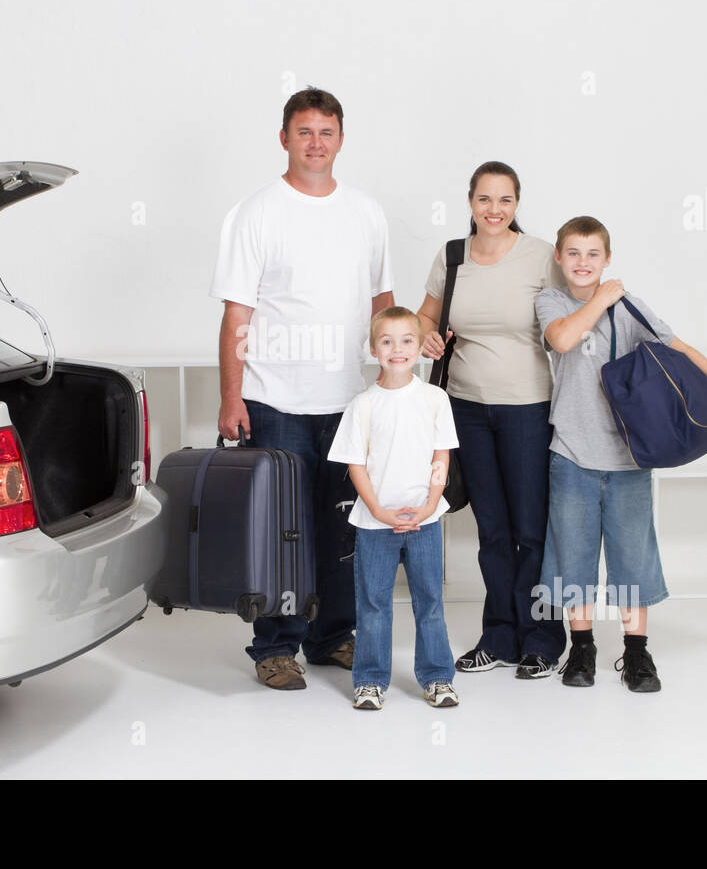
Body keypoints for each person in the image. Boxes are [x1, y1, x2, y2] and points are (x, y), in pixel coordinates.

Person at [210, 86, 394, 690]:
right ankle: (275, 646)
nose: (316, 143)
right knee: (281, 529)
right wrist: (232, 398)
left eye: (327, 132)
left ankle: (332, 636)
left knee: (344, 526)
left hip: (347, 400)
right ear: (284, 137)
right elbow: (237, 316)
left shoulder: (366, 212)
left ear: (342, 138)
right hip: (275, 398)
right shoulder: (257, 211)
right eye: (304, 131)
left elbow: (382, 304)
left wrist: (391, 381)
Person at [535, 216, 707, 692]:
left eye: (592, 254)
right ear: (560, 259)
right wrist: (603, 298)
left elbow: (678, 347)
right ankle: (581, 647)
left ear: (607, 259)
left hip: (628, 458)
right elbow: (563, 340)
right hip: (571, 455)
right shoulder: (552, 302)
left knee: (633, 558)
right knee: (573, 558)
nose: (582, 263)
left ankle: (635, 651)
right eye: (573, 254)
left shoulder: (628, 307)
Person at [416, 161, 568, 679]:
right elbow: (423, 317)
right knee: (493, 530)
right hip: (465, 409)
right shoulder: (452, 256)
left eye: (505, 200)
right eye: (485, 199)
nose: (494, 210)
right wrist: (427, 335)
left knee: (532, 528)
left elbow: (571, 316)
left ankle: (543, 638)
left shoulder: (541, 257)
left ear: (517, 203)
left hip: (528, 407)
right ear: (471, 202)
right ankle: (499, 634)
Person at [328, 307, 461, 709]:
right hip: (375, 525)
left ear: (421, 347)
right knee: (373, 604)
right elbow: (356, 465)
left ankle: (437, 677)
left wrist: (429, 504)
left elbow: (442, 456)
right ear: (373, 349)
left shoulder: (435, 399)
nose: (397, 349)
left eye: (407, 341)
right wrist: (380, 512)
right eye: (387, 341)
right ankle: (370, 680)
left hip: (425, 521)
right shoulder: (363, 405)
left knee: (429, 601)